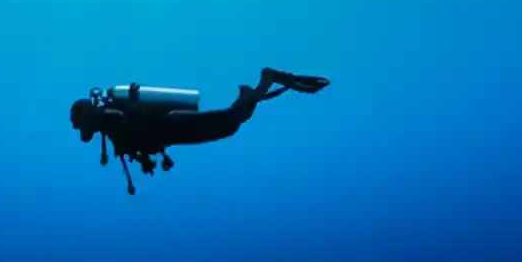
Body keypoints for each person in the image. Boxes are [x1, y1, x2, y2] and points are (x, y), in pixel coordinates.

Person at [70, 68, 329, 194]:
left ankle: (263, 82)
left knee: (228, 124)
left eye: (79, 122)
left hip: (169, 126)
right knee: (229, 125)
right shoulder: (103, 123)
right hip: (168, 132)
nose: (80, 129)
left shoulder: (106, 117)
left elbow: (122, 123)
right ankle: (260, 87)